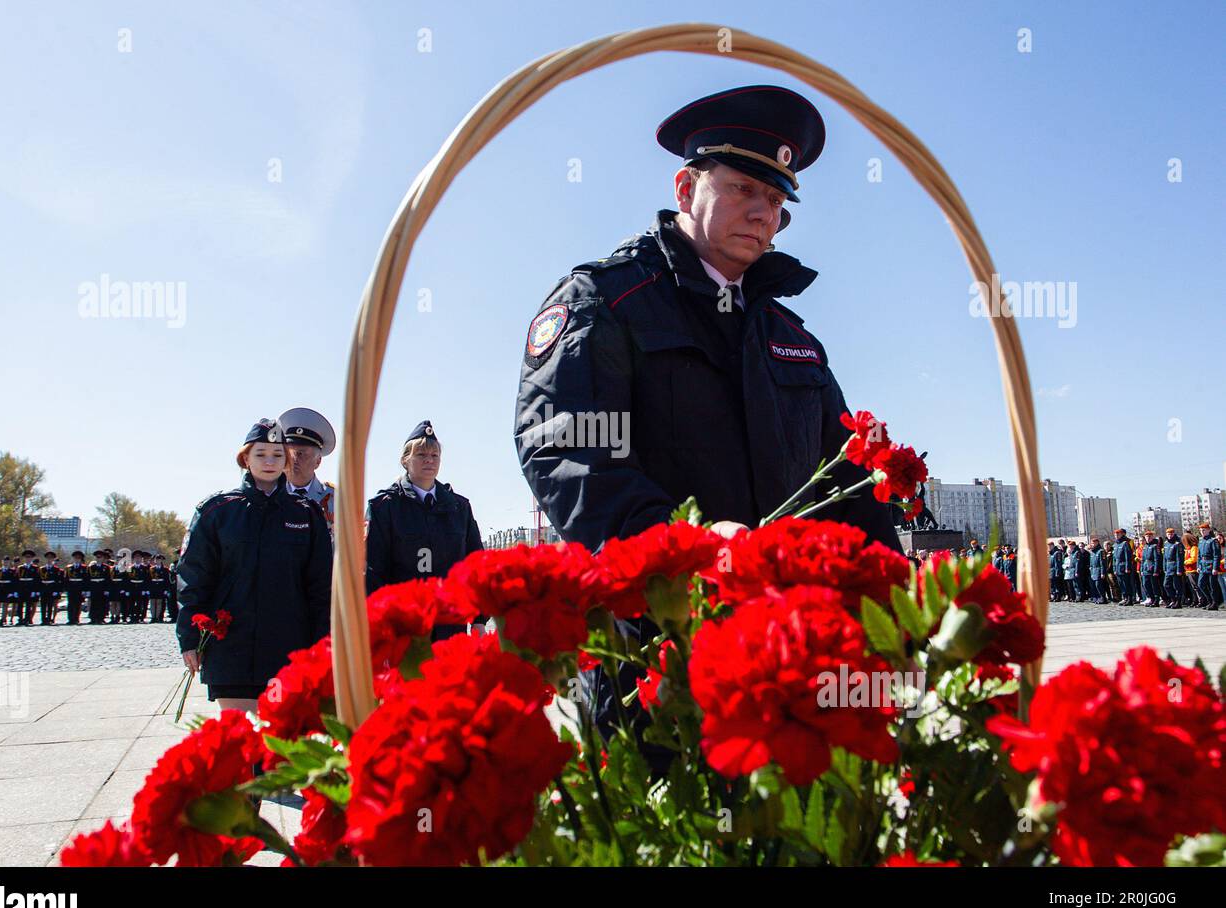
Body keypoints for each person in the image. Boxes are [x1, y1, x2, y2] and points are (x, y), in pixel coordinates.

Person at [514, 85, 901, 555]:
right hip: (660, 615)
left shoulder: (793, 337)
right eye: (743, 188)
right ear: (685, 189)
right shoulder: (605, 301)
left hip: (783, 620)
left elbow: (850, 490)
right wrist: (686, 552)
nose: (763, 214)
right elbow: (571, 454)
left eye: (777, 200)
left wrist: (895, 603)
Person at [176, 418, 332, 713]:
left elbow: (320, 586)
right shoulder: (218, 511)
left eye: (277, 454)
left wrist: (321, 643)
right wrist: (190, 638)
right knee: (240, 739)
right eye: (261, 454)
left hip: (288, 645)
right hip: (232, 646)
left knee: (279, 744)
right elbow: (193, 578)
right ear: (246, 458)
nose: (270, 461)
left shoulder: (307, 515)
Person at [364, 420, 486, 644]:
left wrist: (480, 618)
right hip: (404, 628)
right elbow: (373, 571)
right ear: (405, 460)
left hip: (450, 627)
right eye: (421, 455)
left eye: (434, 455)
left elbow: (476, 563)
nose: (429, 460)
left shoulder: (459, 508)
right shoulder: (385, 507)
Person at [278, 406, 338, 541]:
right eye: (289, 453)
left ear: (318, 461)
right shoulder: (269, 495)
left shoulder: (336, 500)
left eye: (301, 454)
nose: (294, 459)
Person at [1196, 523, 1221, 610]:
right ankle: (1209, 601)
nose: (1202, 532)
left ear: (1208, 530)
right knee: (1200, 584)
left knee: (1212, 585)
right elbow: (1198, 555)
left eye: (1204, 530)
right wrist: (1198, 566)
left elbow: (1216, 555)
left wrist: (1215, 567)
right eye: (1201, 530)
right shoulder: (1201, 540)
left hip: (1210, 564)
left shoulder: (1213, 540)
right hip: (1203, 565)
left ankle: (1214, 603)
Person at [1161, 528, 1184, 609]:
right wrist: (1164, 567)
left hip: (1175, 567)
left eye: (1171, 534)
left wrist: (1179, 569)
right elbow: (1164, 558)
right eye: (1168, 534)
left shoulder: (1177, 544)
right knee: (1166, 585)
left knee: (1177, 586)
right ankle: (1173, 600)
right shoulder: (1166, 543)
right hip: (1168, 567)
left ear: (1174, 534)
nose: (1170, 536)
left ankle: (1178, 602)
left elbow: (1179, 558)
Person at [1112, 528, 1135, 605]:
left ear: (1122, 534)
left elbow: (1127, 557)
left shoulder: (1125, 543)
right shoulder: (1115, 545)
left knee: (1126, 584)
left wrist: (1127, 567)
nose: (1116, 536)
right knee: (1121, 584)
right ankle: (1124, 597)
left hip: (1124, 567)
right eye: (1115, 534)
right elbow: (1114, 559)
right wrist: (1114, 568)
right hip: (1118, 567)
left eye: (1118, 534)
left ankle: (1129, 599)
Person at [1139, 530, 1162, 607]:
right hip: (1145, 569)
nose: (1148, 538)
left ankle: (1156, 600)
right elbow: (1143, 559)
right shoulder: (1145, 547)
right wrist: (1142, 569)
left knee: (1154, 585)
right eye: (1146, 537)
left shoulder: (1154, 546)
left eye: (1149, 536)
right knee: (1146, 585)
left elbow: (1156, 559)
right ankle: (1151, 598)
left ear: (1152, 537)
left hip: (1152, 569)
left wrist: (1155, 570)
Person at [64, 551, 89, 625]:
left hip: (80, 588)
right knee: (71, 604)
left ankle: (76, 618)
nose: (77, 559)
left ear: (81, 559)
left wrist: (85, 590)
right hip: (71, 587)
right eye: (75, 558)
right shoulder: (69, 568)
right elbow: (66, 579)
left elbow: (86, 579)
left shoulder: (84, 568)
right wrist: (66, 588)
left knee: (78, 604)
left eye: (78, 558)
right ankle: (70, 619)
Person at [1087, 537, 1107, 603]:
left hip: (1098, 570)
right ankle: (1098, 598)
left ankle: (1103, 598)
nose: (1092, 544)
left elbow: (1102, 563)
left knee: (1099, 585)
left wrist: (1102, 573)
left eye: (1093, 543)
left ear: (1097, 543)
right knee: (1094, 586)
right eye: (1091, 543)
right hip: (1093, 571)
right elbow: (1091, 563)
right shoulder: (1092, 552)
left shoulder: (1101, 551)